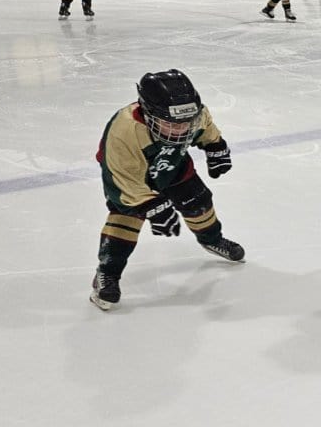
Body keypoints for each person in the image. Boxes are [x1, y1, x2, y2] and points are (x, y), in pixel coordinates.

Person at [90, 70, 244, 309]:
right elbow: (125, 181)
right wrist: (152, 206)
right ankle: (107, 275)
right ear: (148, 113)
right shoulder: (124, 131)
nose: (180, 130)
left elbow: (205, 126)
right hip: (130, 177)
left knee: (199, 202)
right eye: (170, 124)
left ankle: (213, 240)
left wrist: (215, 147)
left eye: (186, 122)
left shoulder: (193, 113)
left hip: (173, 165)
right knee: (127, 217)